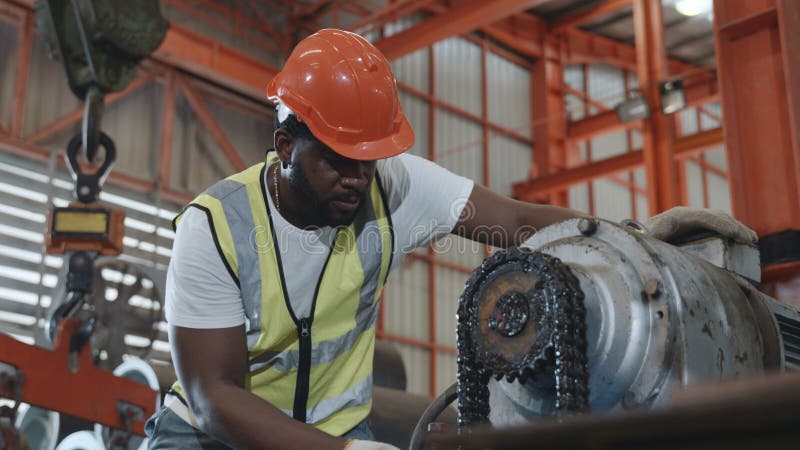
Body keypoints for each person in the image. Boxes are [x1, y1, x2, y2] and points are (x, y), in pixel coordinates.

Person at [145, 29, 756, 450]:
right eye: (338, 161)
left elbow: (513, 225)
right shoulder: (215, 231)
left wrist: (633, 242)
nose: (357, 179)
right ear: (285, 147)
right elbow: (214, 394)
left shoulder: (393, 187)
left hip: (333, 436)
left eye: (369, 158)